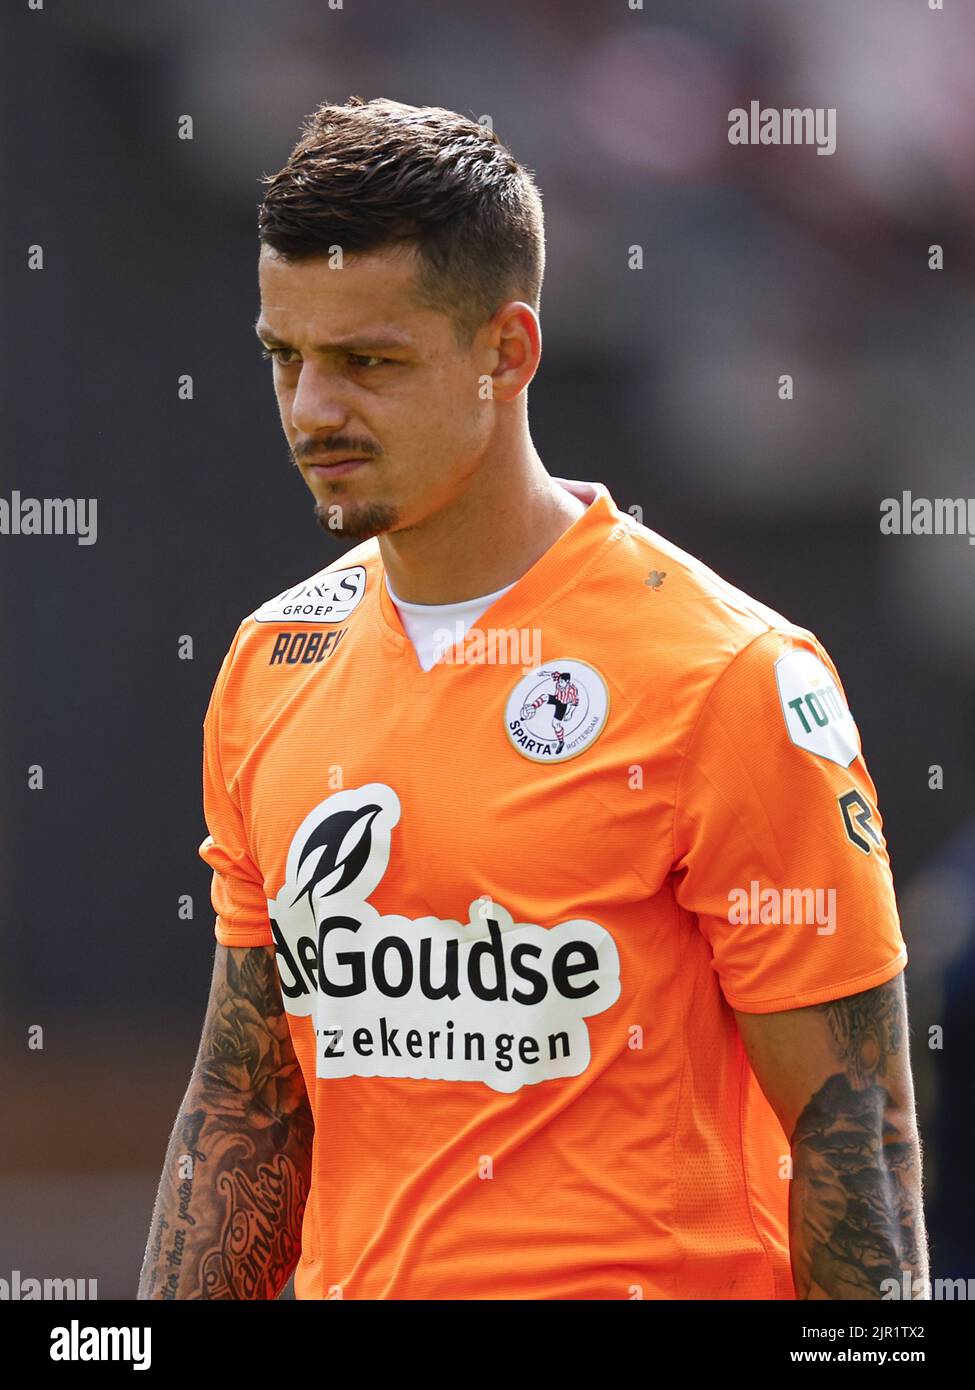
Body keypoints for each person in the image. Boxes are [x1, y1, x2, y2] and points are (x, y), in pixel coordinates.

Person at [138, 97, 928, 1301]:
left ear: (506, 352)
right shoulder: (272, 660)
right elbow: (245, 1106)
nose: (312, 413)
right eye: (285, 357)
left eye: (369, 361)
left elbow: (857, 1140)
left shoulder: (730, 678)